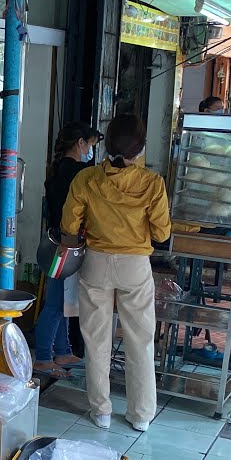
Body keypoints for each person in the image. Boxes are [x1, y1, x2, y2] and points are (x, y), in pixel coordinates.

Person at [61, 114, 171, 432]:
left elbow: (69, 225)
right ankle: (141, 415)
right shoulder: (152, 183)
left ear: (107, 144)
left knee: (96, 340)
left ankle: (101, 411)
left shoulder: (86, 179)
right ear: (141, 148)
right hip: (135, 266)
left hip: (95, 261)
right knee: (140, 340)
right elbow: (162, 233)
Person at [34, 123, 101, 376]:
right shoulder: (79, 172)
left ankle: (62, 351)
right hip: (66, 245)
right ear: (80, 144)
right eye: (91, 146)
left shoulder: (58, 169)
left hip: (55, 242)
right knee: (55, 303)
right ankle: (42, 356)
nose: (91, 151)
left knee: (63, 301)